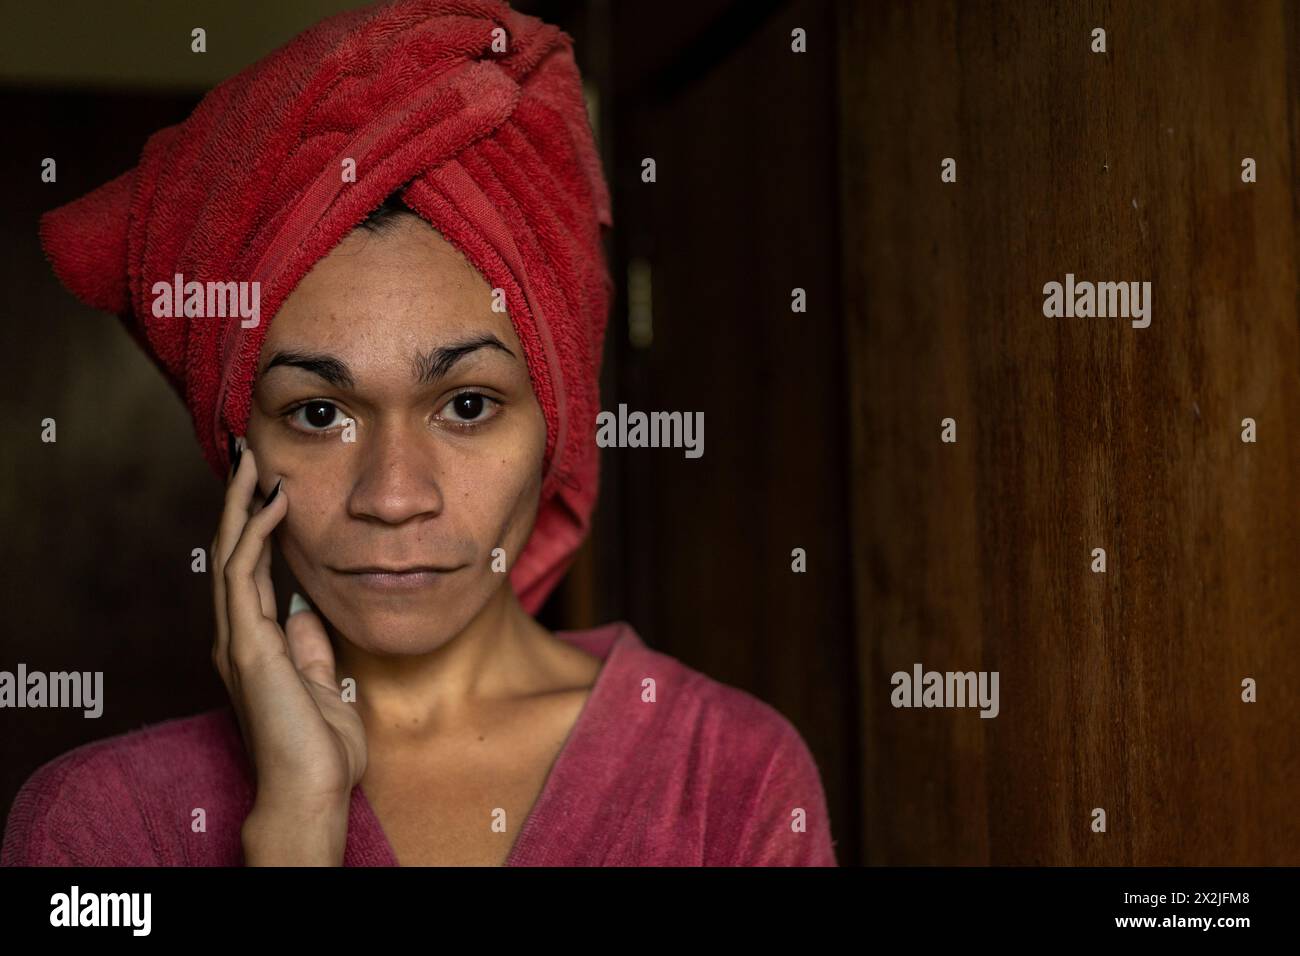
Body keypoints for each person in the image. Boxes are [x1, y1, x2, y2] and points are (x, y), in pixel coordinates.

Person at [1, 0, 837, 867]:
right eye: (318, 414)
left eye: (467, 405)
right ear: (238, 447)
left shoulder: (725, 780)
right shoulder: (100, 829)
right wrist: (294, 832)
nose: (395, 497)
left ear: (558, 421)